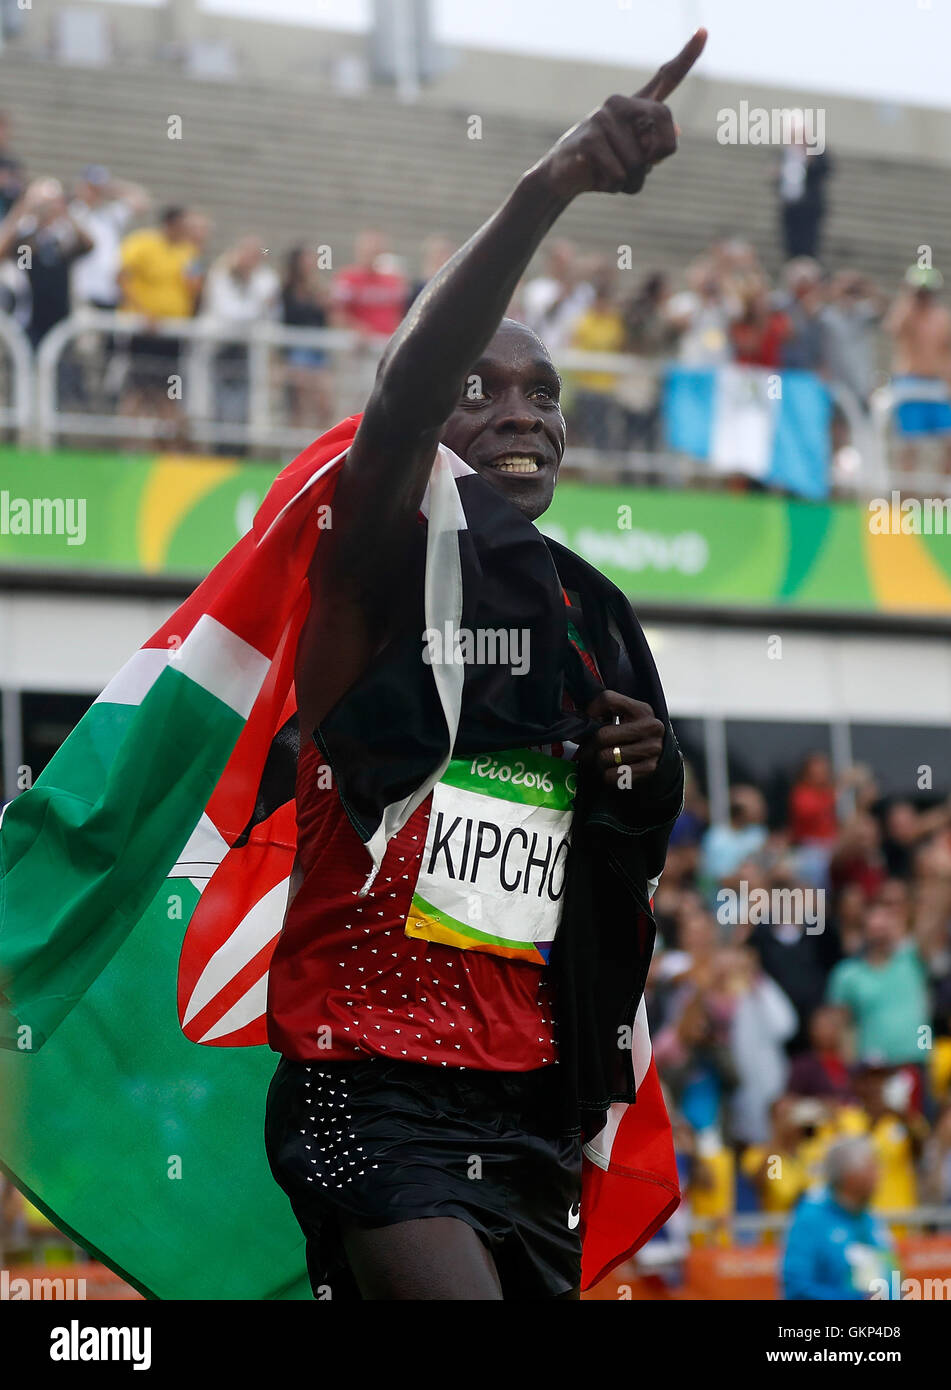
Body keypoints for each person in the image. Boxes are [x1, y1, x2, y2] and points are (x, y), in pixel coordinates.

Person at [264, 30, 706, 1302]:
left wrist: (641, 773)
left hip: (529, 1113)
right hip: (371, 1089)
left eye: (545, 393)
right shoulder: (367, 576)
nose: (522, 412)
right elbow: (399, 400)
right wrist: (551, 186)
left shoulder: (588, 623)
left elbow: (604, 866)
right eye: (483, 390)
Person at [781, 1136, 894, 1299]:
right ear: (850, 1176)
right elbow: (797, 1287)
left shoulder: (870, 1219)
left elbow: (889, 1276)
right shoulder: (811, 1219)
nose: (879, 1175)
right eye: (872, 1167)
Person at [117, 205, 201, 419]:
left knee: (170, 391)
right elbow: (122, 277)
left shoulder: (189, 251)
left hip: (173, 333)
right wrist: (142, 312)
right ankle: (126, 433)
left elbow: (195, 286)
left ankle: (167, 433)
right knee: (137, 388)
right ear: (170, 224)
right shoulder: (142, 243)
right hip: (144, 331)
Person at [0, 177, 93, 347]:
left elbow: (89, 245)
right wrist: (23, 208)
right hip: (29, 319)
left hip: (61, 321)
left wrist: (65, 212)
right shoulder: (26, 240)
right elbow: (13, 257)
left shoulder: (64, 238)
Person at [884, 266, 951, 472]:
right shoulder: (906, 313)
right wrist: (908, 298)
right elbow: (893, 329)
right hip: (910, 382)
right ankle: (906, 490)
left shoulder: (942, 317)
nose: (924, 297)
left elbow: (946, 352)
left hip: (936, 383)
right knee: (909, 444)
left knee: (947, 441)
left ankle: (943, 490)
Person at [70, 165, 151, 312]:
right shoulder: (74, 213)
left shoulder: (109, 215)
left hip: (109, 292)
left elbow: (141, 201)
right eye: (90, 188)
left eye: (97, 189)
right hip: (84, 292)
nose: (94, 193)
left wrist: (111, 187)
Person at [281, 244, 333, 430]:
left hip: (317, 352)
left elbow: (327, 318)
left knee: (324, 404)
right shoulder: (286, 290)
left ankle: (320, 440)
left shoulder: (318, 289)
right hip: (295, 352)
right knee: (299, 404)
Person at [330, 229, 407, 340]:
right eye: (369, 249)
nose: (372, 253)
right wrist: (355, 328)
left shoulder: (394, 279)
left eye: (376, 249)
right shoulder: (347, 279)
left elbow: (400, 313)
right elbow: (337, 314)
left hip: (387, 341)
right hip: (360, 344)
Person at [776, 111, 832, 261]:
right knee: (790, 241)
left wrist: (810, 160)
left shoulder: (816, 149)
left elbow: (825, 169)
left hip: (809, 206)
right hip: (790, 205)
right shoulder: (786, 152)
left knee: (808, 241)